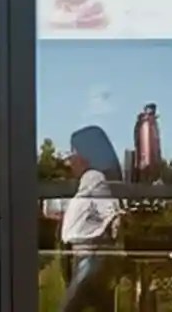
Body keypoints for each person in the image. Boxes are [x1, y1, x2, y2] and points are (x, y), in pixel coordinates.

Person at [60, 127, 122, 312]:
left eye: (74, 153)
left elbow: (106, 209)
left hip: (90, 253)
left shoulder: (94, 178)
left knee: (70, 306)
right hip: (83, 255)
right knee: (100, 304)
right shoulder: (87, 182)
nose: (69, 160)